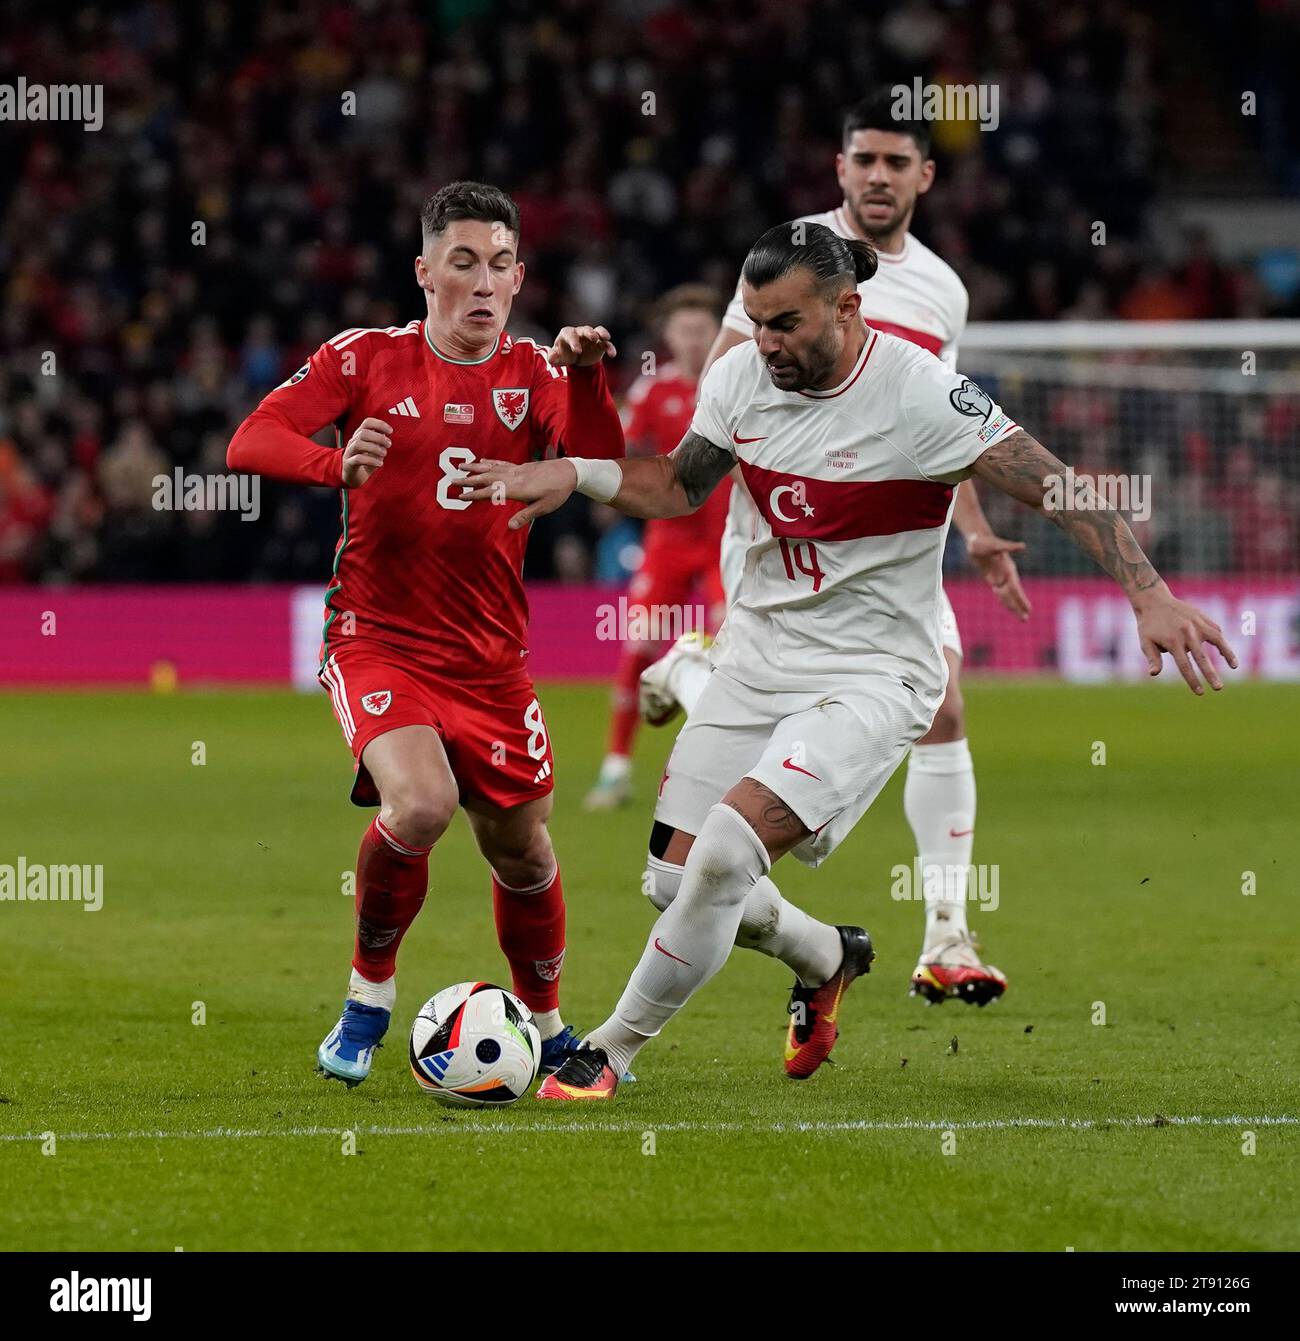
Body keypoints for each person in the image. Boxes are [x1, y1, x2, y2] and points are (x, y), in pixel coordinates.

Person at [461, 222, 1235, 1100]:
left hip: (874, 675)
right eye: (755, 322)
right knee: (671, 881)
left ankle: (607, 1051)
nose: (765, 343)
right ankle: (827, 956)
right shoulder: (740, 377)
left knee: (721, 856)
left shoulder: (923, 396)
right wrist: (577, 474)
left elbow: (1054, 484)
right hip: (757, 658)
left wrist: (1149, 592)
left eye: (785, 323)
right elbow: (678, 484)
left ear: (847, 305)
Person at [227, 180, 624, 1085]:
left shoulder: (535, 373)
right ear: (424, 272)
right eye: (462, 263)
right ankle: (368, 999)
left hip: (491, 661)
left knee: (523, 846)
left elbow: (600, 459)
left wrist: (590, 376)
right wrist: (337, 463)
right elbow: (249, 440)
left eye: (499, 266)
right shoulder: (364, 358)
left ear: (520, 278)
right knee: (422, 804)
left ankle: (550, 1026)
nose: (483, 283)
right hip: (377, 640)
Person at [640, 92, 1029, 1007]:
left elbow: (935, 428)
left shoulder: (941, 289)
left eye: (898, 163)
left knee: (943, 706)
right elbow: (733, 403)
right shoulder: (791, 259)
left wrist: (971, 529)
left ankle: (947, 933)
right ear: (841, 168)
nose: (880, 177)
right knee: (712, 826)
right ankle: (697, 675)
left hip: (891, 544)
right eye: (865, 161)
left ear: (925, 176)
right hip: (785, 545)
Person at [585, 285, 728, 811]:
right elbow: (620, 451)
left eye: (702, 330)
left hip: (725, 541)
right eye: (684, 330)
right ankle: (616, 768)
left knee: (733, 649)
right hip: (669, 539)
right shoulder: (651, 392)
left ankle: (730, 772)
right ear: (669, 337)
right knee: (640, 646)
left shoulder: (736, 386)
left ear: (717, 333)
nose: (693, 340)